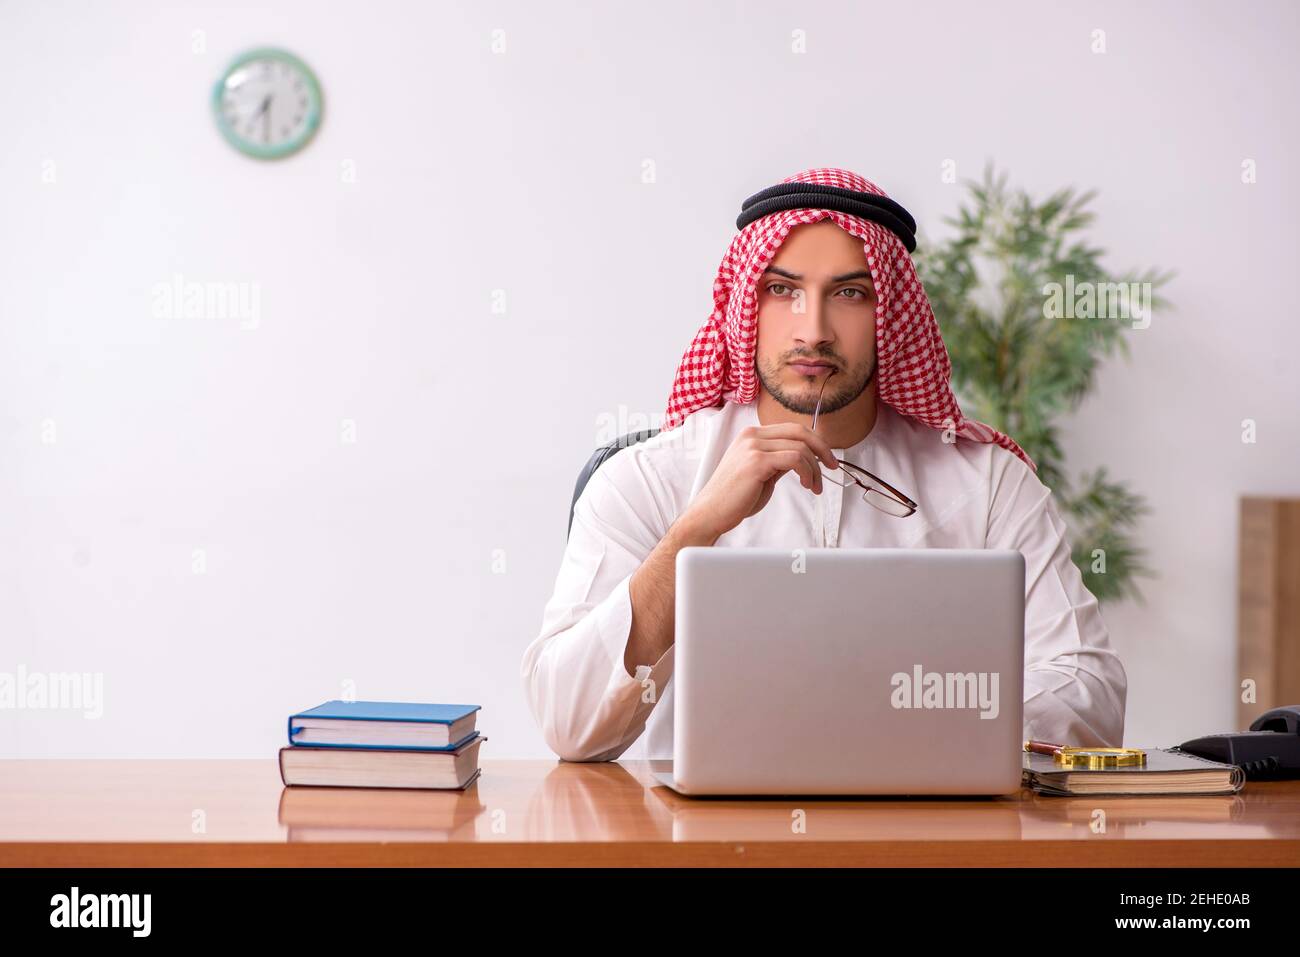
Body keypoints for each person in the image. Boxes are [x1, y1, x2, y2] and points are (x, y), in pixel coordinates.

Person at [521, 167, 1127, 762]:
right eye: (782, 290)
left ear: (889, 312)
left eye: (849, 293)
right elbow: (569, 726)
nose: (813, 331)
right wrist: (692, 534)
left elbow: (1090, 699)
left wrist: (907, 726)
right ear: (746, 306)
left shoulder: (990, 484)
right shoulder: (648, 480)